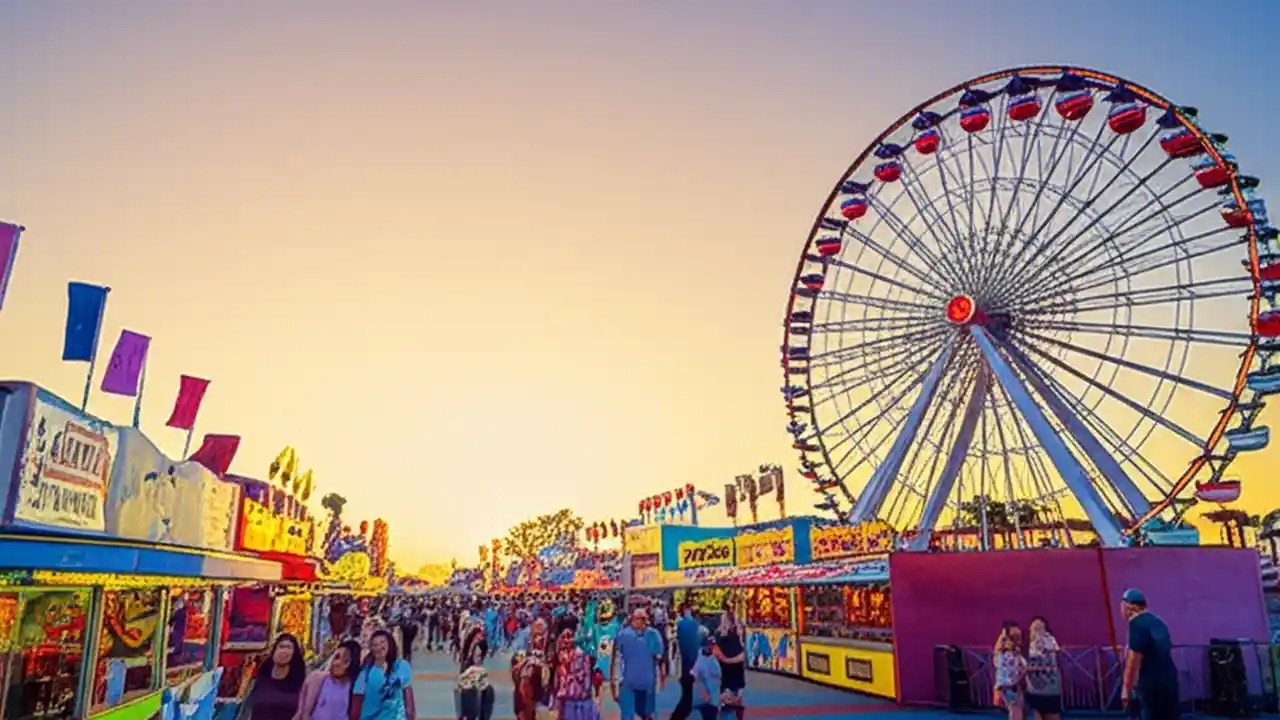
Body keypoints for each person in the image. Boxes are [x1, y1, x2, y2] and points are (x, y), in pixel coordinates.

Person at [1120, 589, 1180, 720]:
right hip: (1170, 682)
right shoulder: (1159, 622)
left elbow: (1134, 660)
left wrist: (1126, 690)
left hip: (1150, 686)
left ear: (1129, 606)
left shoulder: (1136, 624)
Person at [611, 608, 665, 720]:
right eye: (642, 619)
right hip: (629, 682)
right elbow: (616, 659)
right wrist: (614, 682)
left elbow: (659, 658)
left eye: (644, 619)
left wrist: (661, 678)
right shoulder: (624, 634)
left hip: (644, 682)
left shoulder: (652, 634)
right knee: (632, 714)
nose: (644, 621)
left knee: (645, 714)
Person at [352, 629, 415, 720]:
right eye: (375, 644)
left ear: (390, 643)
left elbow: (409, 701)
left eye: (382, 642)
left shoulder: (402, 666)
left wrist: (410, 717)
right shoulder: (365, 673)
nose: (379, 646)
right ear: (371, 649)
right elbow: (357, 702)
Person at [245, 633, 307, 720]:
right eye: (281, 647)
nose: (284, 651)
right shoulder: (259, 681)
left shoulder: (300, 684)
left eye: (288, 647)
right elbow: (246, 710)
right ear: (274, 650)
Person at [295, 640, 362, 720]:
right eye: (336, 657)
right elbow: (300, 711)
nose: (337, 663)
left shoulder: (355, 689)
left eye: (345, 661)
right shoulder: (316, 680)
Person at [554, 629, 600, 720]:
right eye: (564, 638)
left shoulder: (580, 655)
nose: (566, 641)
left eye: (569, 638)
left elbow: (586, 676)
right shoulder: (560, 656)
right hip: (566, 700)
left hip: (580, 699)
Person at [670, 602, 703, 720]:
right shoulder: (690, 625)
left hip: (686, 668)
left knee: (687, 698)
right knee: (687, 700)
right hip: (689, 667)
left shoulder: (683, 625)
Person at [1025, 616, 1061, 720]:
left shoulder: (1048, 641)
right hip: (1040, 689)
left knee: (1049, 715)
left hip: (1046, 688)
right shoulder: (1029, 644)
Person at [713, 607, 746, 720]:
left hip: (725, 670)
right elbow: (743, 655)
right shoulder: (739, 634)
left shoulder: (720, 634)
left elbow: (715, 650)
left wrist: (724, 659)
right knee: (736, 699)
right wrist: (729, 660)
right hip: (735, 670)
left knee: (726, 699)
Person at [993, 622, 1027, 720]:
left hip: (1012, 685)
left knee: (1018, 710)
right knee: (1016, 711)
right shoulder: (1007, 653)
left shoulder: (1012, 652)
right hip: (1009, 686)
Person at [457, 633, 495, 720]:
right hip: (469, 691)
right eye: (478, 656)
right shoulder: (468, 669)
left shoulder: (480, 672)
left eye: (481, 657)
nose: (479, 659)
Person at [691, 637, 722, 720]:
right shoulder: (700, 659)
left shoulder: (713, 657)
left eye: (711, 645)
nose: (710, 647)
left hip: (715, 695)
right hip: (706, 696)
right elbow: (696, 677)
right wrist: (704, 692)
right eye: (708, 645)